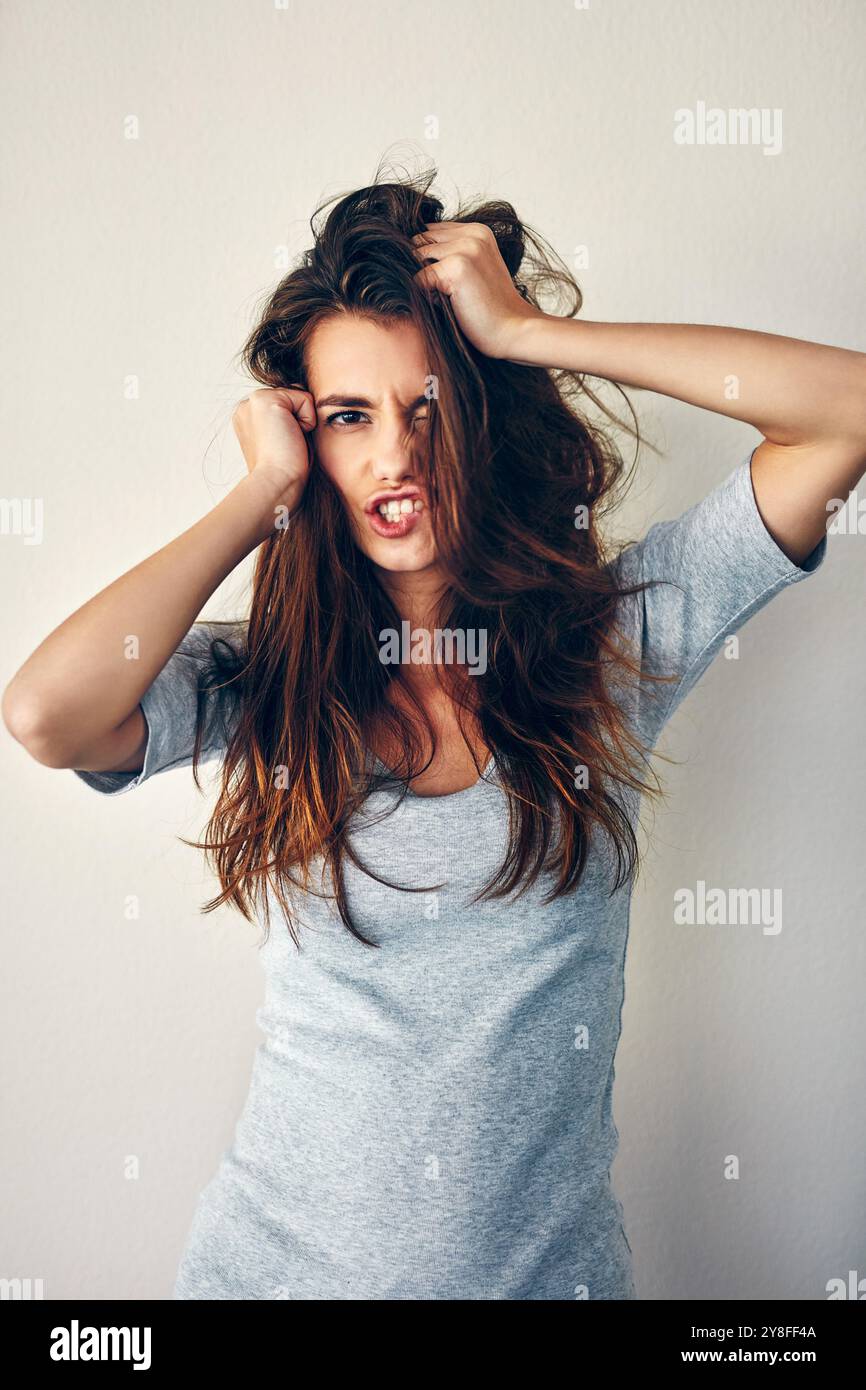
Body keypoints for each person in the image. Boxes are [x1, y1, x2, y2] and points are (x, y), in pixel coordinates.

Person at [4, 166, 862, 1300]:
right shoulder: (268, 685)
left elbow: (842, 414)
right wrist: (257, 493)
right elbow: (45, 714)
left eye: (428, 407)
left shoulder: (608, 650)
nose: (394, 458)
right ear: (312, 441)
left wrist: (526, 331)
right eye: (349, 417)